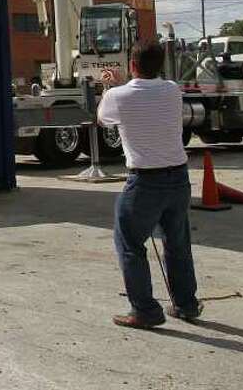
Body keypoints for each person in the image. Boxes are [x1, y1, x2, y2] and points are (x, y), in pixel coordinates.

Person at [97, 38, 202, 329]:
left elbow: (103, 119)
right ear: (160, 65)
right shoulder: (172, 90)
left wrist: (110, 85)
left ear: (132, 65)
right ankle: (186, 304)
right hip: (178, 178)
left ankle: (144, 309)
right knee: (177, 242)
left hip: (144, 181)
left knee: (129, 243)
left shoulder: (118, 96)